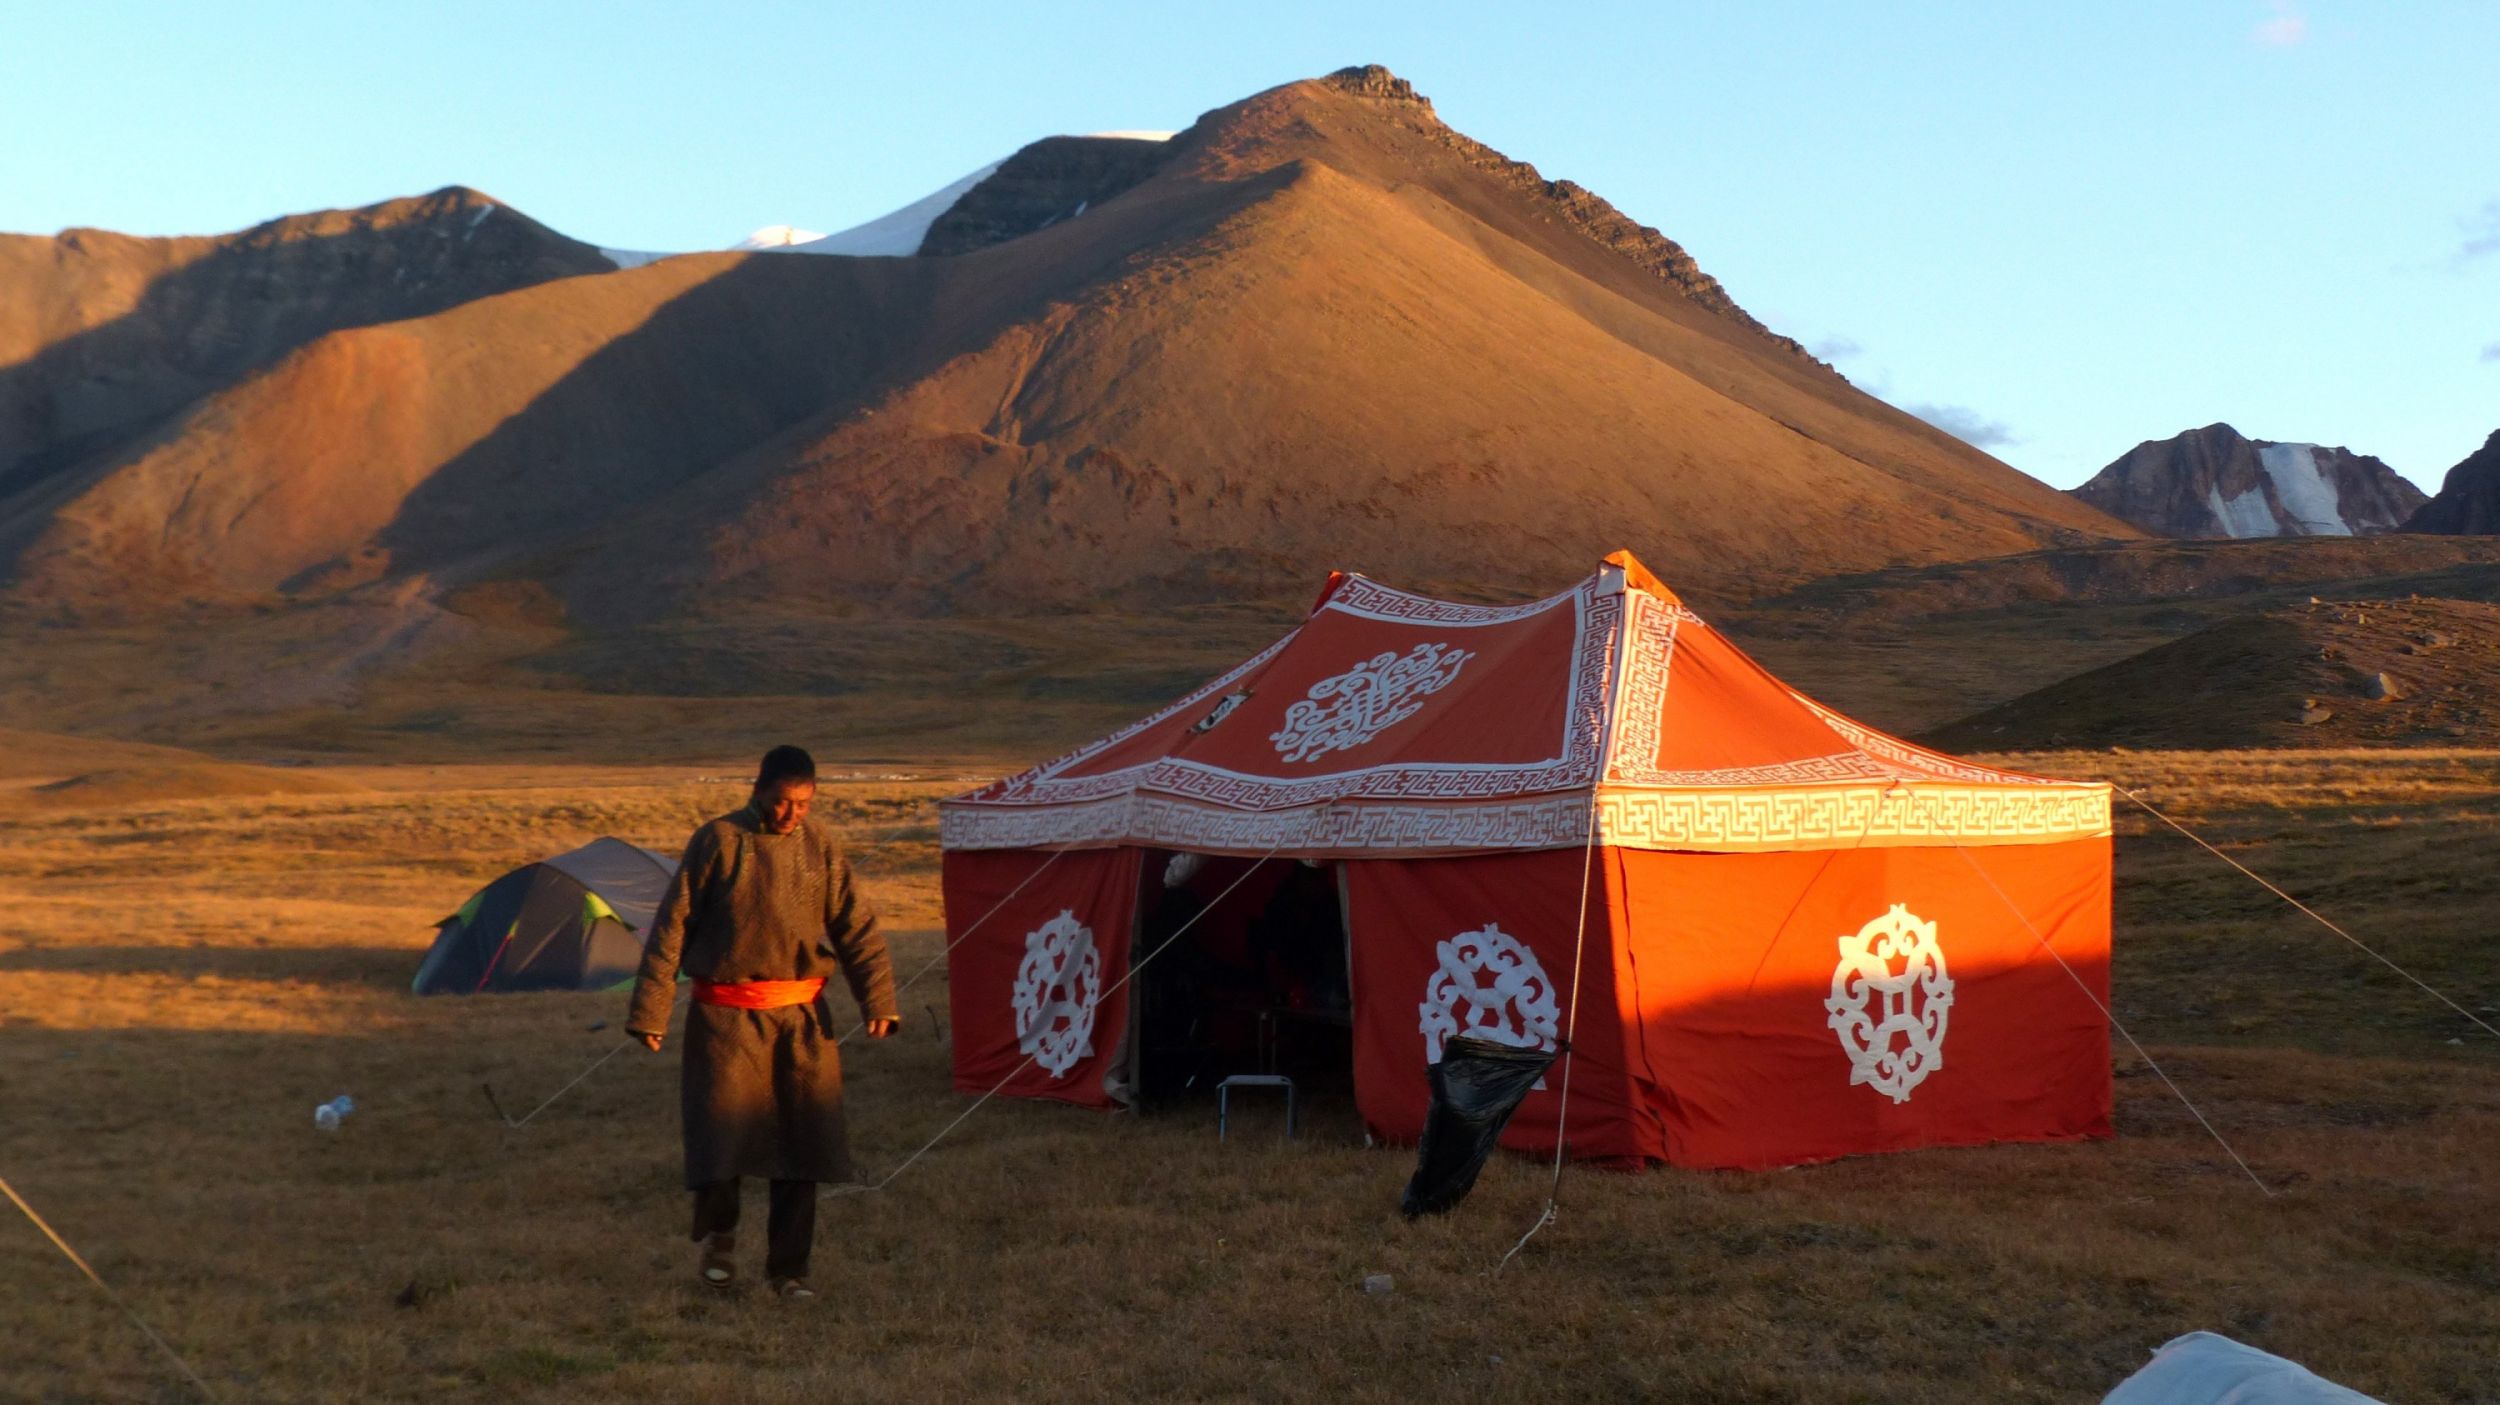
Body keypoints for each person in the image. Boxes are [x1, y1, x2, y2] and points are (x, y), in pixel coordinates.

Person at [626, 745, 898, 1298]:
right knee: (721, 1137)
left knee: (802, 1146)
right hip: (726, 1019)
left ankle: (789, 1272)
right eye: (781, 802)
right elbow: (672, 926)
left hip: (800, 1019)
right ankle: (721, 1236)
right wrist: (651, 1010)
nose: (790, 814)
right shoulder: (719, 841)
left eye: (802, 803)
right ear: (759, 790)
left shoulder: (819, 845)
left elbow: (856, 926)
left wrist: (879, 1000)